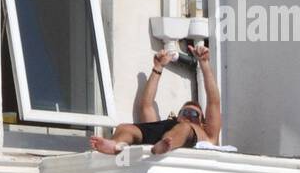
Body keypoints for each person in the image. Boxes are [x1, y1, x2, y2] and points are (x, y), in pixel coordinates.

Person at [91, 44, 221, 158]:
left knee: (184, 128)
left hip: (174, 139)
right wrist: (158, 67)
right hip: (162, 138)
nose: (188, 116)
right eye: (185, 112)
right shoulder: (167, 125)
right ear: (178, 115)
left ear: (203, 122)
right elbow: (146, 106)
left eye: (194, 114)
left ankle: (167, 145)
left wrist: (204, 63)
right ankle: (116, 145)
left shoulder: (209, 135)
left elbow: (213, 102)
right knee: (124, 128)